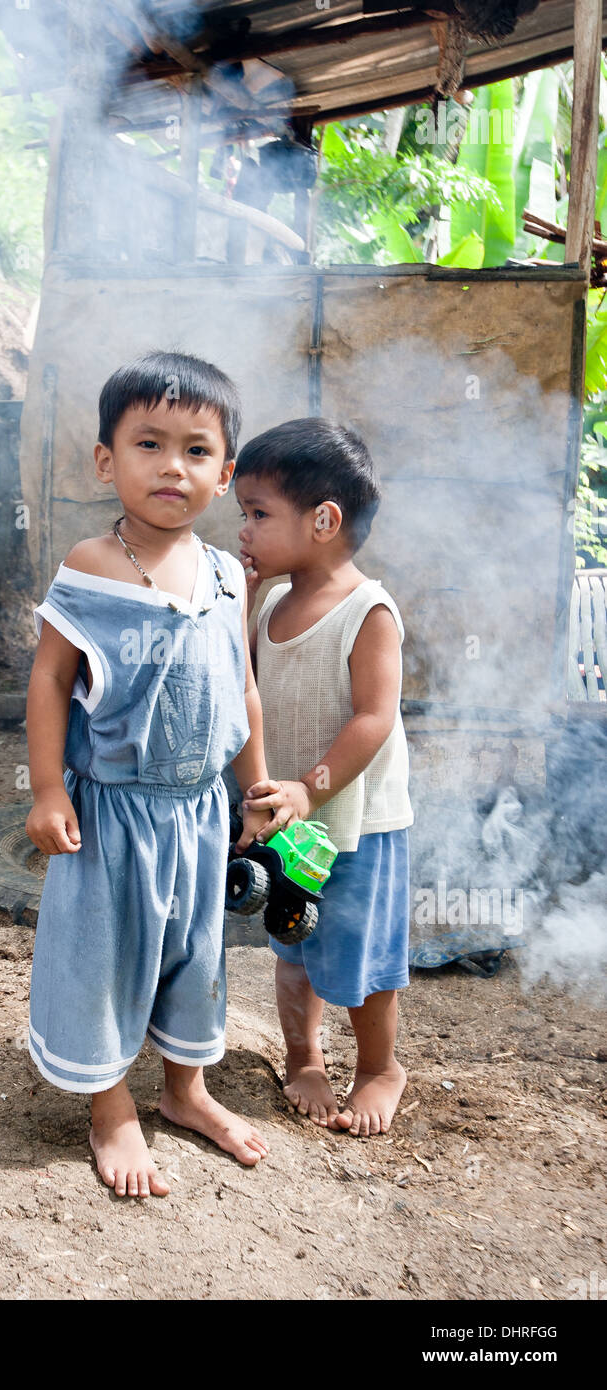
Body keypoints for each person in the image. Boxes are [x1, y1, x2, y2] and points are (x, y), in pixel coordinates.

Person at [25, 350, 274, 1198]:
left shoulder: (228, 574)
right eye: (149, 444)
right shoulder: (91, 566)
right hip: (115, 816)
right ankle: (111, 1108)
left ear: (226, 473)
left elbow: (241, 685)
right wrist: (51, 789)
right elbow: (52, 682)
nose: (173, 466)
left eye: (197, 450)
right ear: (106, 460)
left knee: (194, 952)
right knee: (104, 955)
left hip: (200, 813)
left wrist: (259, 784)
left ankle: (185, 1091)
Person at [234, 418, 414, 1137]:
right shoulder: (273, 602)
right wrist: (242, 605)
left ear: (324, 520)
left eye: (257, 514)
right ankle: (303, 1055)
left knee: (361, 961)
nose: (242, 530)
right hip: (288, 824)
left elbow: (373, 718)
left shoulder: (367, 612)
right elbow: (240, 680)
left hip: (357, 827)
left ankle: (378, 1068)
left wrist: (311, 786)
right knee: (293, 943)